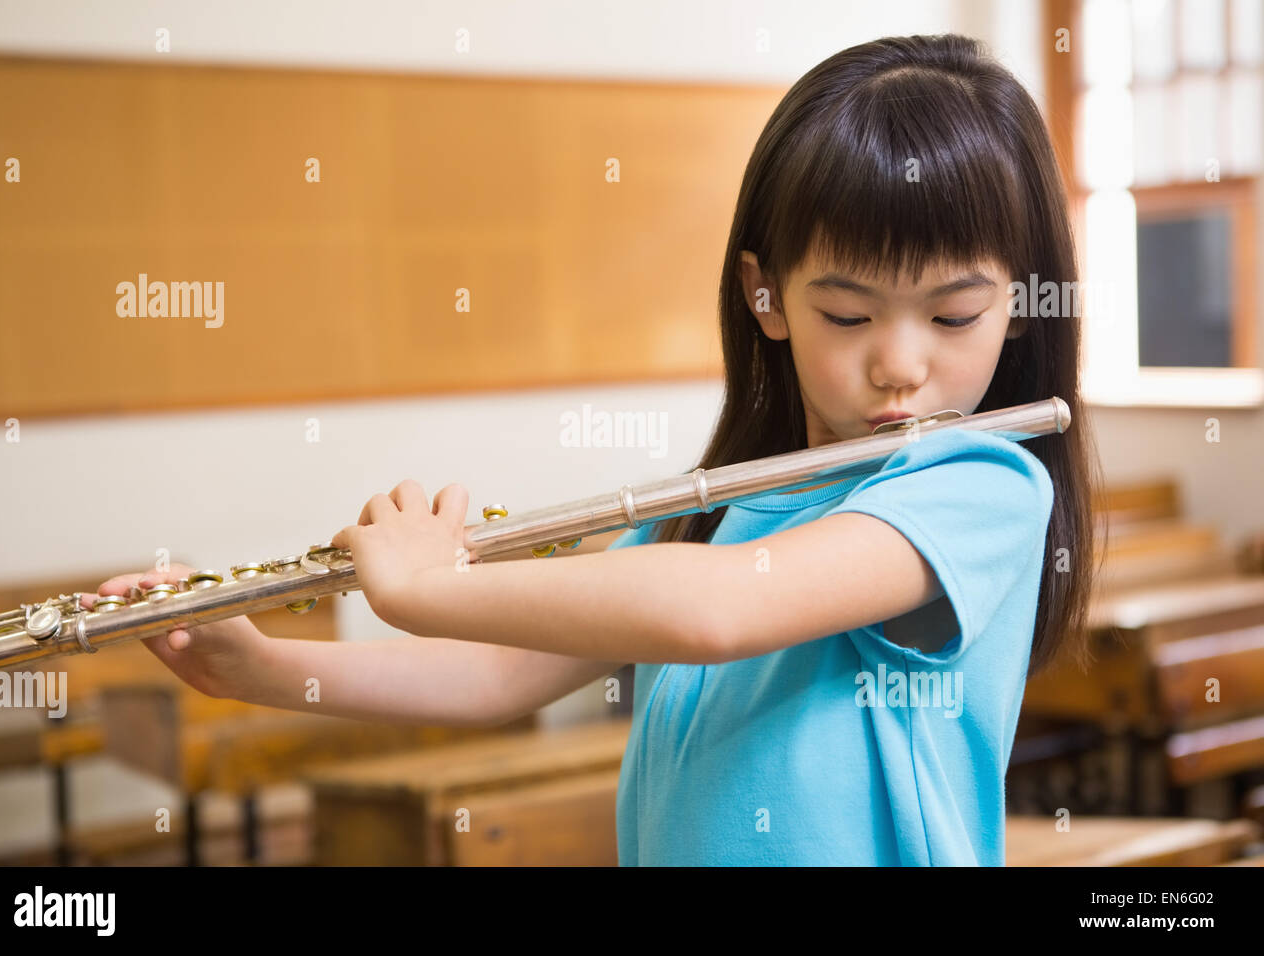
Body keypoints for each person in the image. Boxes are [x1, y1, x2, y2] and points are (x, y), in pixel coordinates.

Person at [86, 33, 1100, 865]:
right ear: (766, 295)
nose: (899, 364)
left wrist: (428, 585)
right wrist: (259, 667)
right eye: (846, 312)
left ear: (1015, 308)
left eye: (953, 313)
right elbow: (494, 677)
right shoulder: (711, 507)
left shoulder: (982, 484)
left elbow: (721, 608)